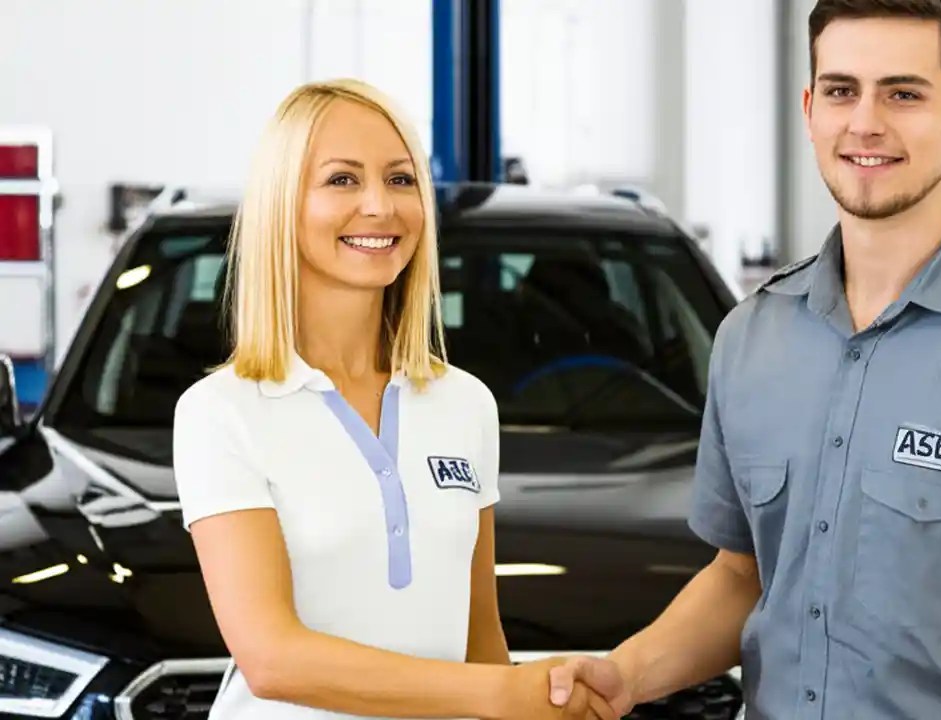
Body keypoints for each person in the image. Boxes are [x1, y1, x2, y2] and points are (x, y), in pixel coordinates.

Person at [548, 1, 941, 718]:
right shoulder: (752, 337)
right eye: (842, 91)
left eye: (903, 93)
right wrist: (627, 673)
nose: (865, 122)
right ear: (810, 109)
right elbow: (743, 577)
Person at [172, 78, 615, 720]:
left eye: (401, 179)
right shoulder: (222, 413)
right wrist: (503, 693)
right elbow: (271, 659)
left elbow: (480, 641)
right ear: (282, 205)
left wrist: (527, 699)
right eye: (342, 180)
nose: (380, 206)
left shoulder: (466, 405)